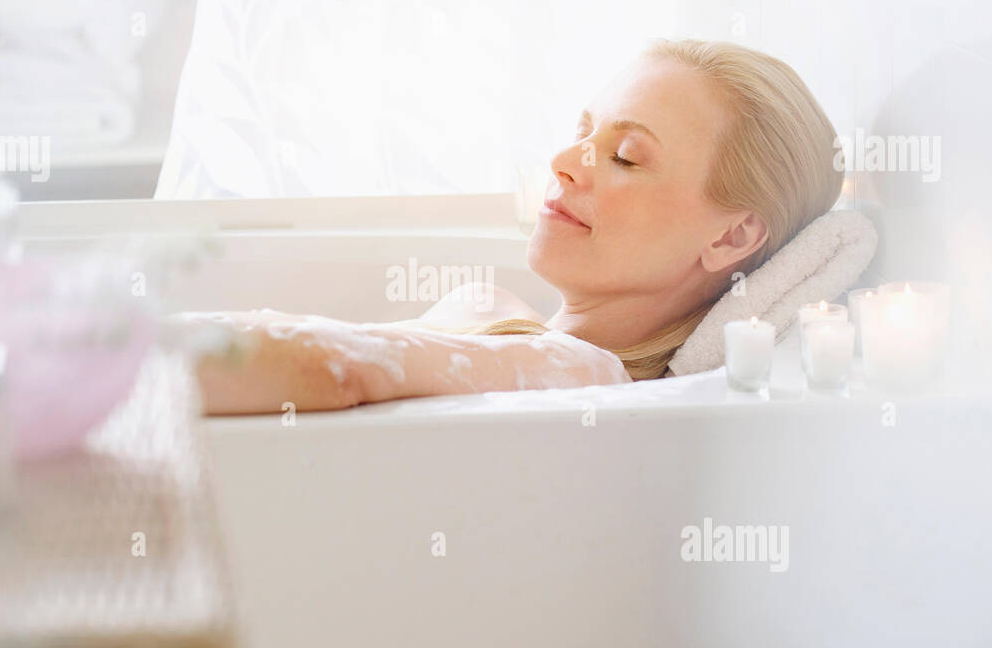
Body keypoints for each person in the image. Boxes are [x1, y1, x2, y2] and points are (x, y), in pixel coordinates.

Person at [195, 39, 843, 414]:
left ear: (730, 237)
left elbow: (339, 369)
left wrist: (115, 357)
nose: (564, 164)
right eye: (582, 134)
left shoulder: (576, 374)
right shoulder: (501, 317)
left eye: (625, 157)